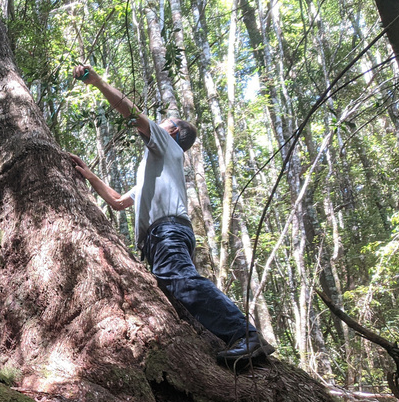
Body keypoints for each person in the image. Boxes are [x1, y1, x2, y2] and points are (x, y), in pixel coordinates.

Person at [69, 64, 274, 368]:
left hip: (167, 231)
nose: (153, 126)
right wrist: (88, 174)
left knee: (180, 279)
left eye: (161, 123)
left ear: (173, 132)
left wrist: (98, 82)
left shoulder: (167, 146)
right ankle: (228, 341)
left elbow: (132, 114)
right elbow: (117, 201)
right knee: (173, 290)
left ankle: (244, 334)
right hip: (159, 238)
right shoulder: (154, 171)